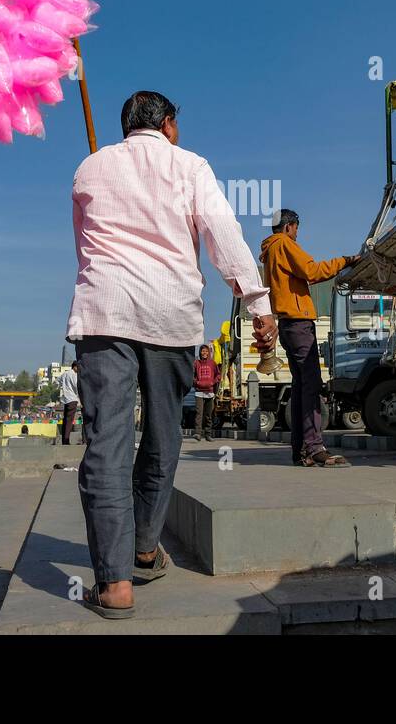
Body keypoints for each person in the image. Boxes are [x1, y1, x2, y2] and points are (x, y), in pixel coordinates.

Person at [67, 90, 276, 619]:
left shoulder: (90, 169)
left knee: (106, 445)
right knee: (163, 436)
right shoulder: (191, 166)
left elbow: (84, 246)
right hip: (170, 317)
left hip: (104, 313)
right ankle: (142, 547)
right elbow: (223, 234)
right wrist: (258, 302)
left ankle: (115, 584)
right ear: (167, 124)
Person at [260, 208, 357, 468]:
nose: (297, 233)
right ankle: (315, 448)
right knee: (311, 386)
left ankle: (301, 451)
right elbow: (312, 271)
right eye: (296, 228)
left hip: (288, 325)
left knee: (302, 387)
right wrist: (345, 261)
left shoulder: (269, 250)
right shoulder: (283, 244)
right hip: (299, 324)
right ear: (289, 226)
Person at [191, 344, 219, 441]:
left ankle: (208, 434)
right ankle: (198, 434)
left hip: (210, 392)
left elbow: (218, 375)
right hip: (199, 392)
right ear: (200, 352)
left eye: (206, 351)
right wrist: (196, 382)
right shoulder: (196, 363)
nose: (204, 353)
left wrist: (213, 382)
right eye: (203, 351)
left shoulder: (212, 363)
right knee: (199, 413)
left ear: (209, 352)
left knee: (208, 415)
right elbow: (192, 375)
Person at [59, 361, 81, 444]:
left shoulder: (65, 374)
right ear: (74, 367)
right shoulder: (74, 375)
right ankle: (66, 440)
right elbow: (76, 386)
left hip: (66, 400)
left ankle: (63, 440)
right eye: (78, 367)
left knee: (65, 420)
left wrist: (64, 387)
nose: (79, 369)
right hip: (72, 399)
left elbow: (57, 381)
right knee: (69, 421)